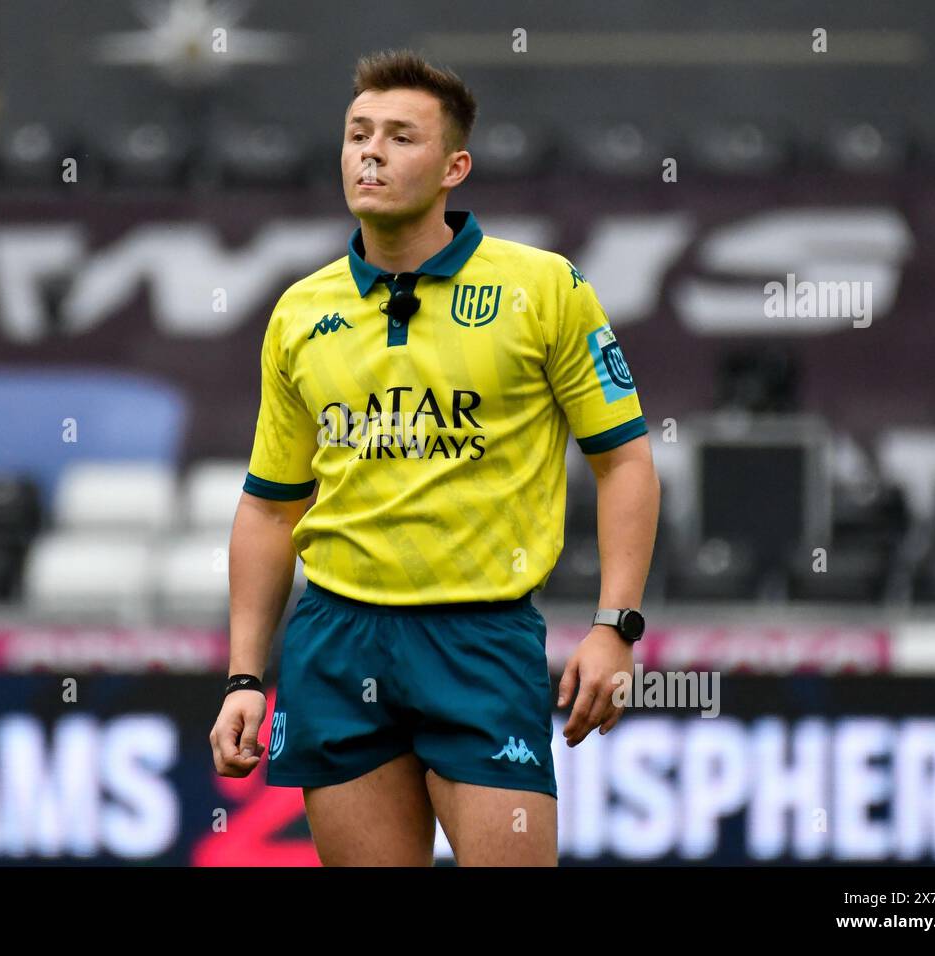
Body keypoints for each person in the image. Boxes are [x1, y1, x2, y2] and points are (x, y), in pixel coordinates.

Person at [209, 49, 660, 866]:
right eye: (358, 134)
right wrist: (245, 677)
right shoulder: (299, 312)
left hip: (480, 642)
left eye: (399, 136)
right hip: (337, 641)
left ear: (455, 166)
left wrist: (615, 627)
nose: (370, 152)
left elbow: (625, 461)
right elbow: (271, 505)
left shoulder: (545, 288)